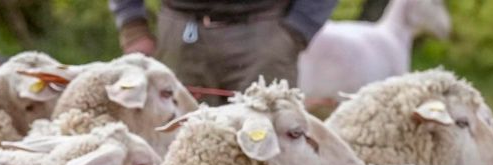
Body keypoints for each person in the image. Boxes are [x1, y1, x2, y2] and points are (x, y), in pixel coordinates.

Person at [109, 0, 338, 94]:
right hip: (179, 30)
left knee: (268, 135)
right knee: (177, 136)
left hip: (265, 30)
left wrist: (298, 28)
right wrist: (132, 26)